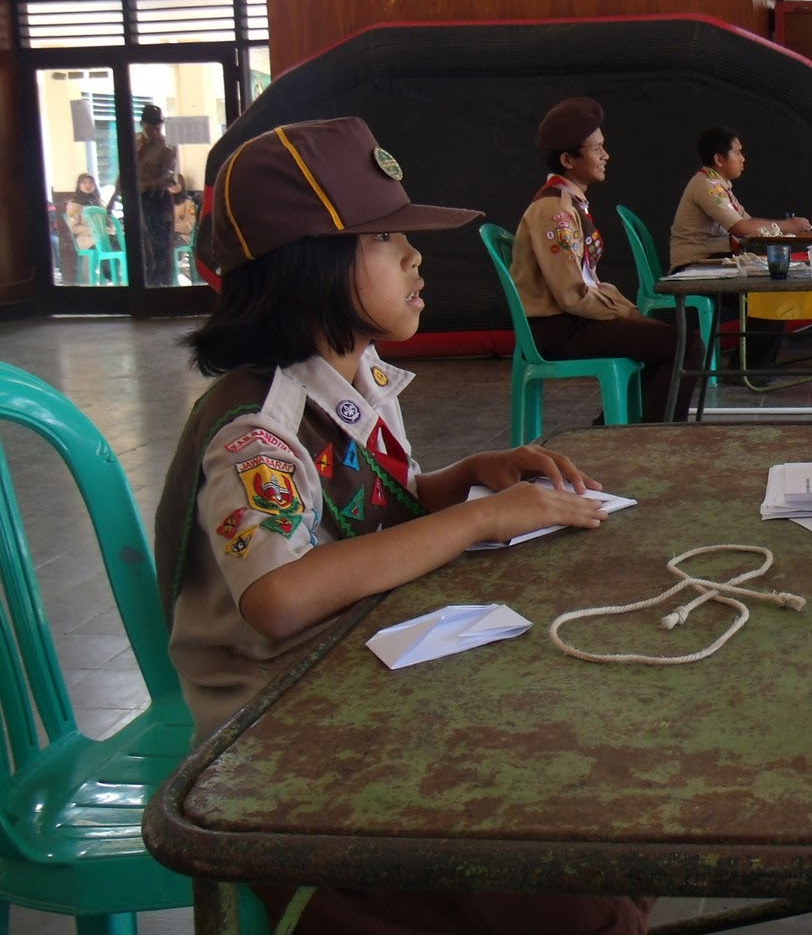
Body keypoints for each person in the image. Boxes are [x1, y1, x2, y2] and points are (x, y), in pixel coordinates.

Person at [152, 115, 652, 935]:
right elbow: (280, 595)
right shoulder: (257, 431)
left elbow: (361, 512)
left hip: (365, 693)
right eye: (388, 240)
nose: (418, 258)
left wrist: (460, 481)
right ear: (307, 265)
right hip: (283, 765)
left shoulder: (353, 376)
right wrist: (478, 521)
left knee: (611, 812)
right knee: (587, 902)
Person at [511, 97, 702, 422]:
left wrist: (626, 311)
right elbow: (573, 294)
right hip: (558, 329)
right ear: (568, 159)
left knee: (674, 340)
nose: (605, 156)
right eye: (596, 149)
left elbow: (588, 282)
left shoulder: (569, 204)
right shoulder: (553, 211)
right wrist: (623, 315)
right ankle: (655, 440)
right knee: (683, 343)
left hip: (573, 320)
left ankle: (613, 431)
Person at [667, 125, 812, 270]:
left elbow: (748, 223)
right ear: (719, 159)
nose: (742, 159)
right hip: (692, 266)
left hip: (712, 262)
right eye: (737, 153)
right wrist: (789, 226)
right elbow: (740, 228)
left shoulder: (720, 185)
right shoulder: (706, 185)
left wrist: (781, 229)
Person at [133, 103, 178, 285]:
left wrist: (145, 184)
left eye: (158, 129)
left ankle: (163, 286)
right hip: (139, 200)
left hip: (158, 200)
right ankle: (148, 286)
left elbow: (168, 179)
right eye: (149, 129)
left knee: (161, 246)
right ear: (142, 125)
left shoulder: (167, 147)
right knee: (143, 247)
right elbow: (125, 173)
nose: (154, 133)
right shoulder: (134, 144)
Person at [64, 172, 103, 252]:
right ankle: (105, 264)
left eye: (91, 183)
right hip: (87, 239)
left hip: (103, 236)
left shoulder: (99, 203)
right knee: (109, 245)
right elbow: (74, 228)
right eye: (84, 182)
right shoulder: (74, 204)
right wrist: (93, 231)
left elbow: (107, 221)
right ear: (79, 185)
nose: (87, 185)